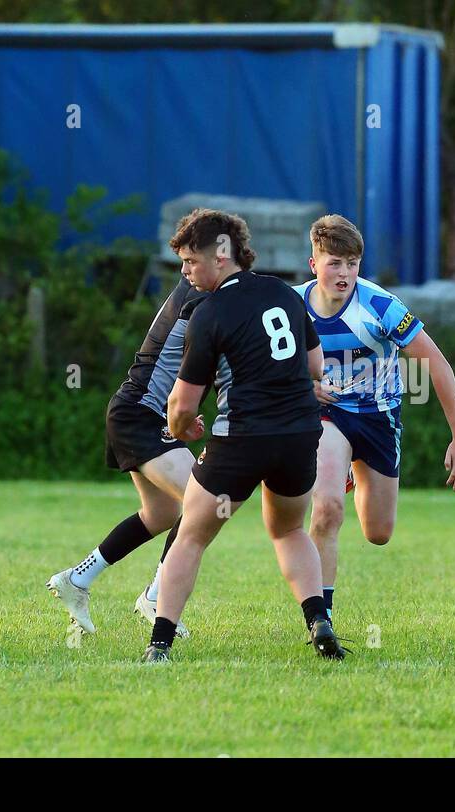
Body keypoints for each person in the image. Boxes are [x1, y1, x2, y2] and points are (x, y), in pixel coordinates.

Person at [142, 208, 339, 663]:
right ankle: (319, 620)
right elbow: (314, 368)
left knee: (191, 534)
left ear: (222, 255)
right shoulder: (283, 293)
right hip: (298, 435)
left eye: (192, 260)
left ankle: (159, 645)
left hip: (242, 438)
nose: (186, 271)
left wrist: (181, 428)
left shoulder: (208, 313)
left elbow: (182, 404)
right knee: (289, 528)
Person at [295, 215, 455, 623]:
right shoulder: (292, 306)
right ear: (313, 264)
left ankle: (352, 471)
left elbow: (437, 365)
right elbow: (261, 364)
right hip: (327, 415)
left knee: (378, 533)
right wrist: (303, 389)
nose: (343, 273)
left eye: (352, 263)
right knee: (326, 510)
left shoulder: (381, 306)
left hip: (378, 417)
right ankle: (321, 619)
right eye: (334, 262)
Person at [44, 271, 208, 637]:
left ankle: (78, 579)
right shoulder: (202, 294)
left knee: (162, 512)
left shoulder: (203, 290)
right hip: (139, 414)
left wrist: (182, 417)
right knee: (202, 501)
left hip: (142, 413)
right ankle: (156, 596)